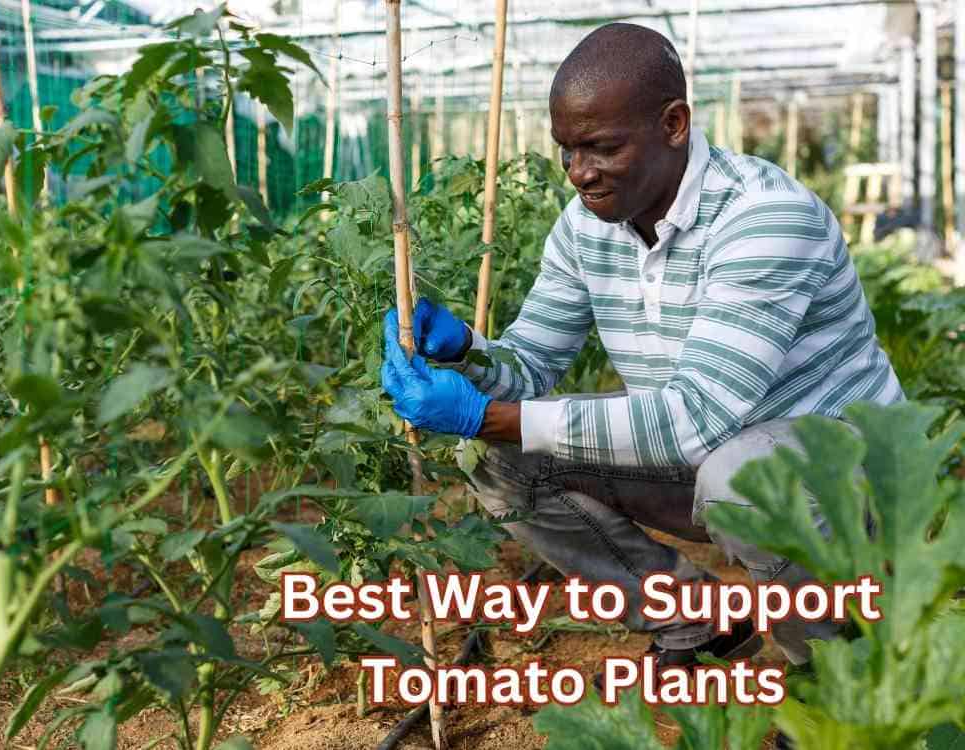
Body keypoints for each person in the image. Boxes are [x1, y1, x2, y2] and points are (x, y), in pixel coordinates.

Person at [379, 20, 903, 714]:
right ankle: (699, 618)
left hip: (842, 478)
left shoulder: (764, 217)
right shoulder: (584, 227)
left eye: (601, 148)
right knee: (500, 461)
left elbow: (696, 417)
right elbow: (530, 363)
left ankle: (843, 675)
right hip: (711, 461)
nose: (579, 172)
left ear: (674, 123)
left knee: (740, 476)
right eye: (567, 150)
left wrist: (490, 414)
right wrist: (468, 354)